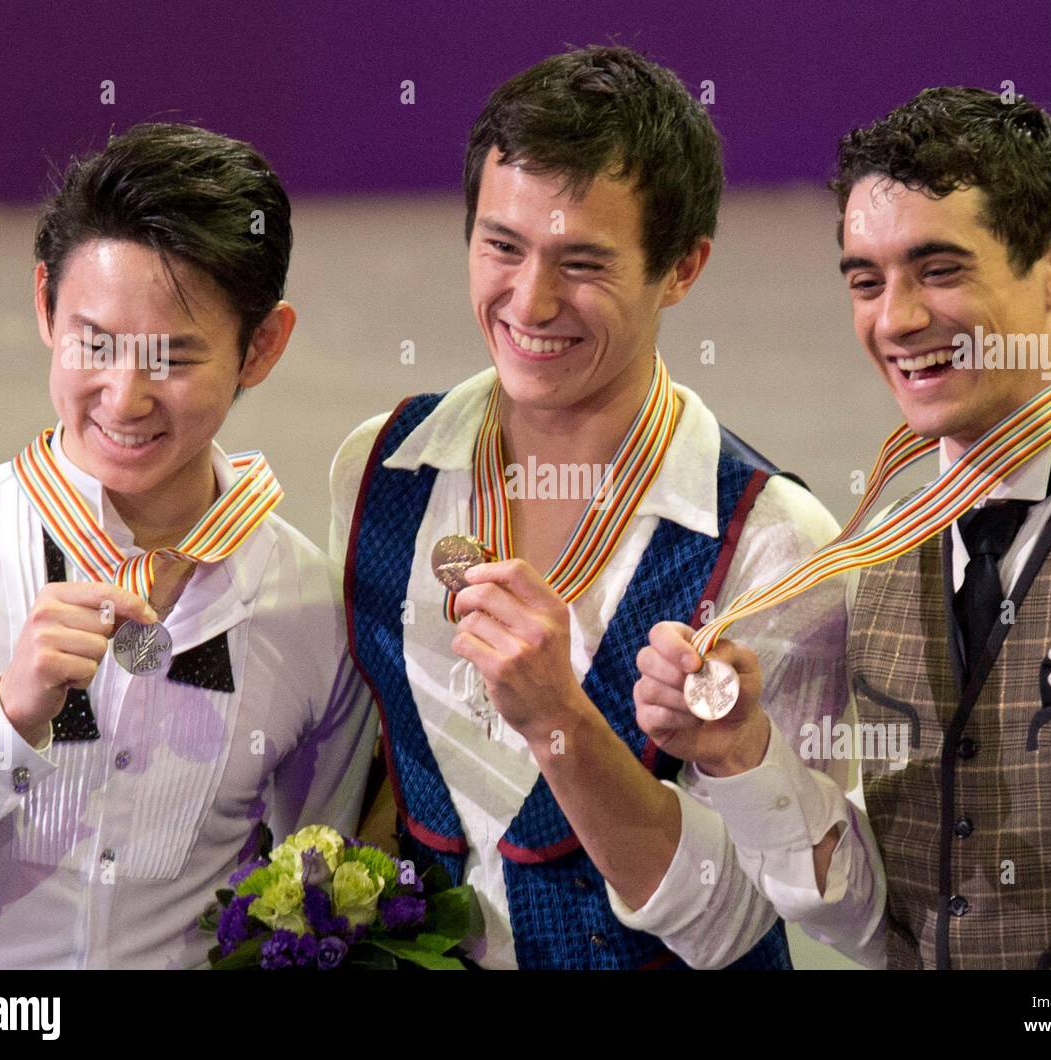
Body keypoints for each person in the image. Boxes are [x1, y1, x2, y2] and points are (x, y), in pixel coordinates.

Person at [330, 45, 883, 970]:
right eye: (502, 246)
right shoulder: (380, 467)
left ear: (682, 268)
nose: (531, 301)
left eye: (582, 262)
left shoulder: (779, 546)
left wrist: (560, 718)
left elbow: (733, 927)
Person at [637, 86, 1051, 969]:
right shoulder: (886, 557)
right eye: (867, 281)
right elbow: (893, 923)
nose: (895, 320)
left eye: (938, 271)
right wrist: (743, 756)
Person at [0, 124, 376, 968]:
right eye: (96, 342)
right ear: (46, 304)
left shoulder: (311, 606)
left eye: (173, 357)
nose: (124, 399)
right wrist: (4, 719)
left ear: (261, 346)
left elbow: (321, 887)